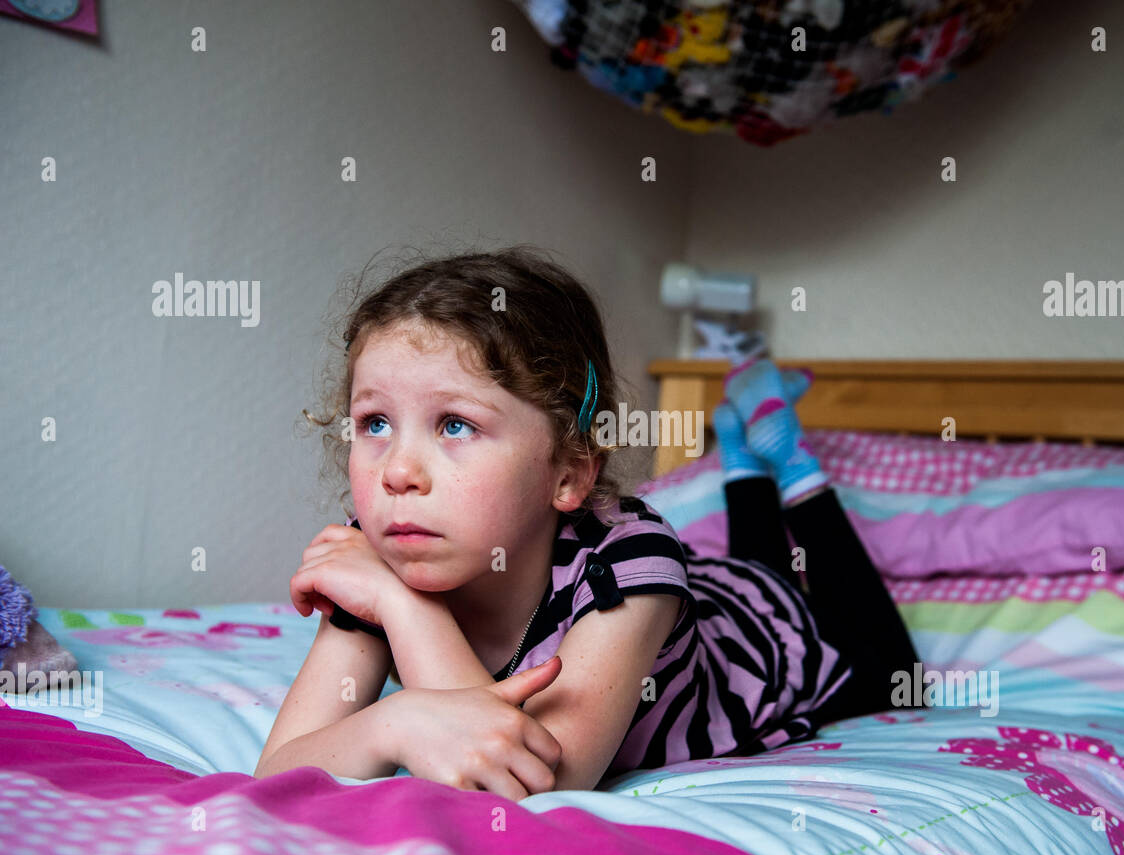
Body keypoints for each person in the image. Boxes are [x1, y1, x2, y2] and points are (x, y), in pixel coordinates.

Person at [255, 245, 923, 801]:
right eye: (375, 422)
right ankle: (741, 451)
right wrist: (390, 725)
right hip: (702, 596)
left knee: (894, 669)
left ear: (568, 472)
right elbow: (277, 776)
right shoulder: (384, 549)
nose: (398, 470)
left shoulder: (634, 562)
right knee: (754, 564)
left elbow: (534, 783)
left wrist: (404, 606)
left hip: (757, 636)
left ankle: (786, 457)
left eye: (454, 424)